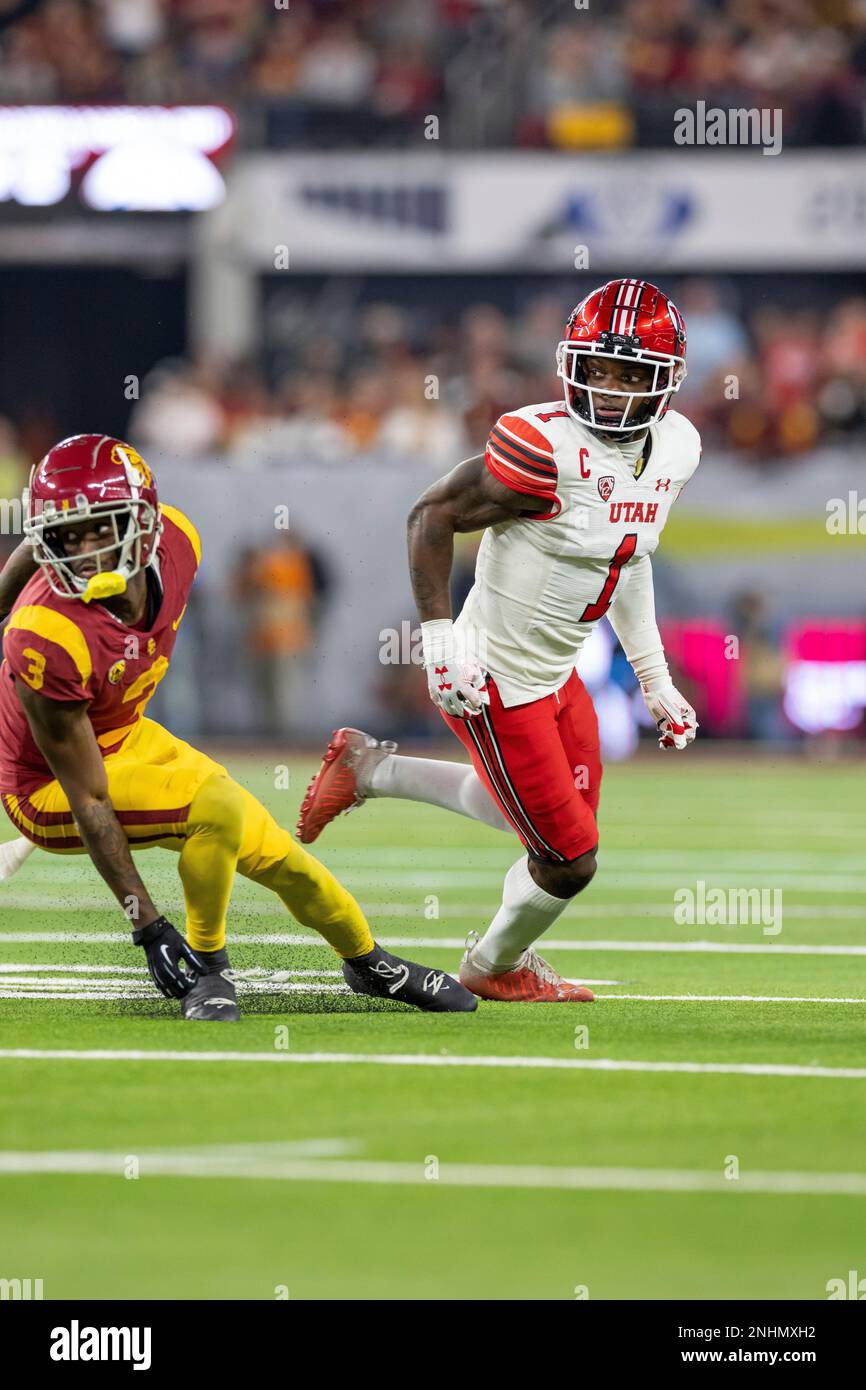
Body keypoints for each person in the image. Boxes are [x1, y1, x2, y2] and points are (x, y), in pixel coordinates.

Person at [298, 279, 700, 1003]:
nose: (608, 389)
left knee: (516, 809)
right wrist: (440, 640)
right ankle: (492, 964)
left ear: (665, 382)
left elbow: (629, 558)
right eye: (598, 368)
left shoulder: (675, 447)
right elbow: (430, 515)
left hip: (558, 672)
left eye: (630, 373)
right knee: (568, 860)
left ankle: (368, 768)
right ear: (569, 363)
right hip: (492, 677)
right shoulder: (544, 448)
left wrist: (655, 679)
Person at [0, 435, 476, 1018]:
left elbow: (47, 538)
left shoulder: (177, 543)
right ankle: (209, 968)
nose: (86, 552)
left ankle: (368, 960)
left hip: (127, 734)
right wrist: (147, 925)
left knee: (275, 851)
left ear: (144, 524)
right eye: (67, 537)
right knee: (215, 810)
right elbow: (91, 797)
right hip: (49, 785)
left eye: (102, 529)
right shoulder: (46, 634)